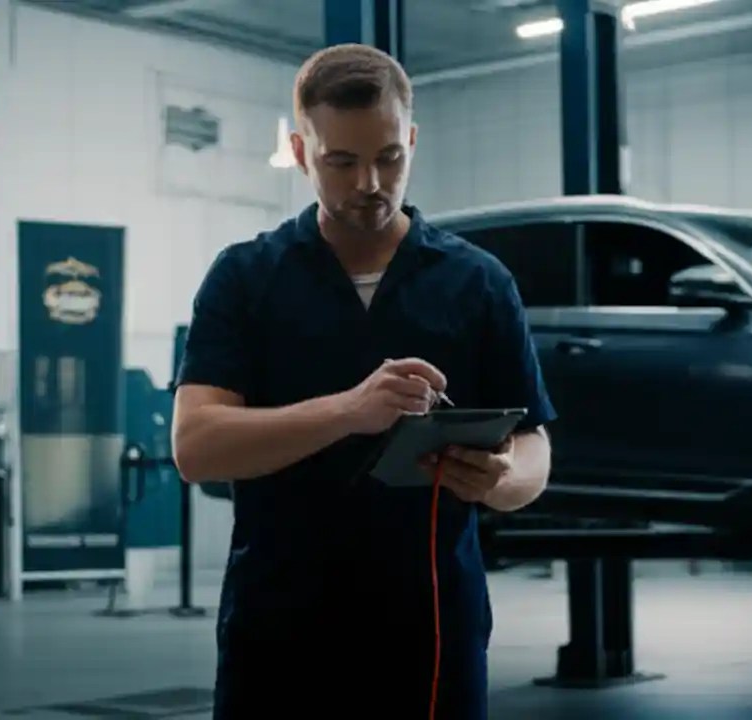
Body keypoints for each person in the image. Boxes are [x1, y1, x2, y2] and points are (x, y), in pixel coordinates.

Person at [171, 43, 556, 719]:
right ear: (299, 151)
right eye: (340, 161)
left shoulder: (479, 283)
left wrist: (499, 479)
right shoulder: (245, 277)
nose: (369, 183)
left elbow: (534, 449)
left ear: (411, 140)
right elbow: (196, 445)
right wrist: (349, 410)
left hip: (433, 626)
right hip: (281, 632)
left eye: (388, 157)